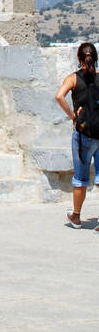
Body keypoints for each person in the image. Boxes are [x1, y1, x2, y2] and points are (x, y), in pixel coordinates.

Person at [55, 41, 99, 230]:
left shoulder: (73, 79)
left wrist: (73, 116)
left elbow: (59, 96)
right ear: (95, 58)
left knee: (81, 178)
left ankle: (76, 216)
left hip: (83, 134)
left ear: (79, 59)